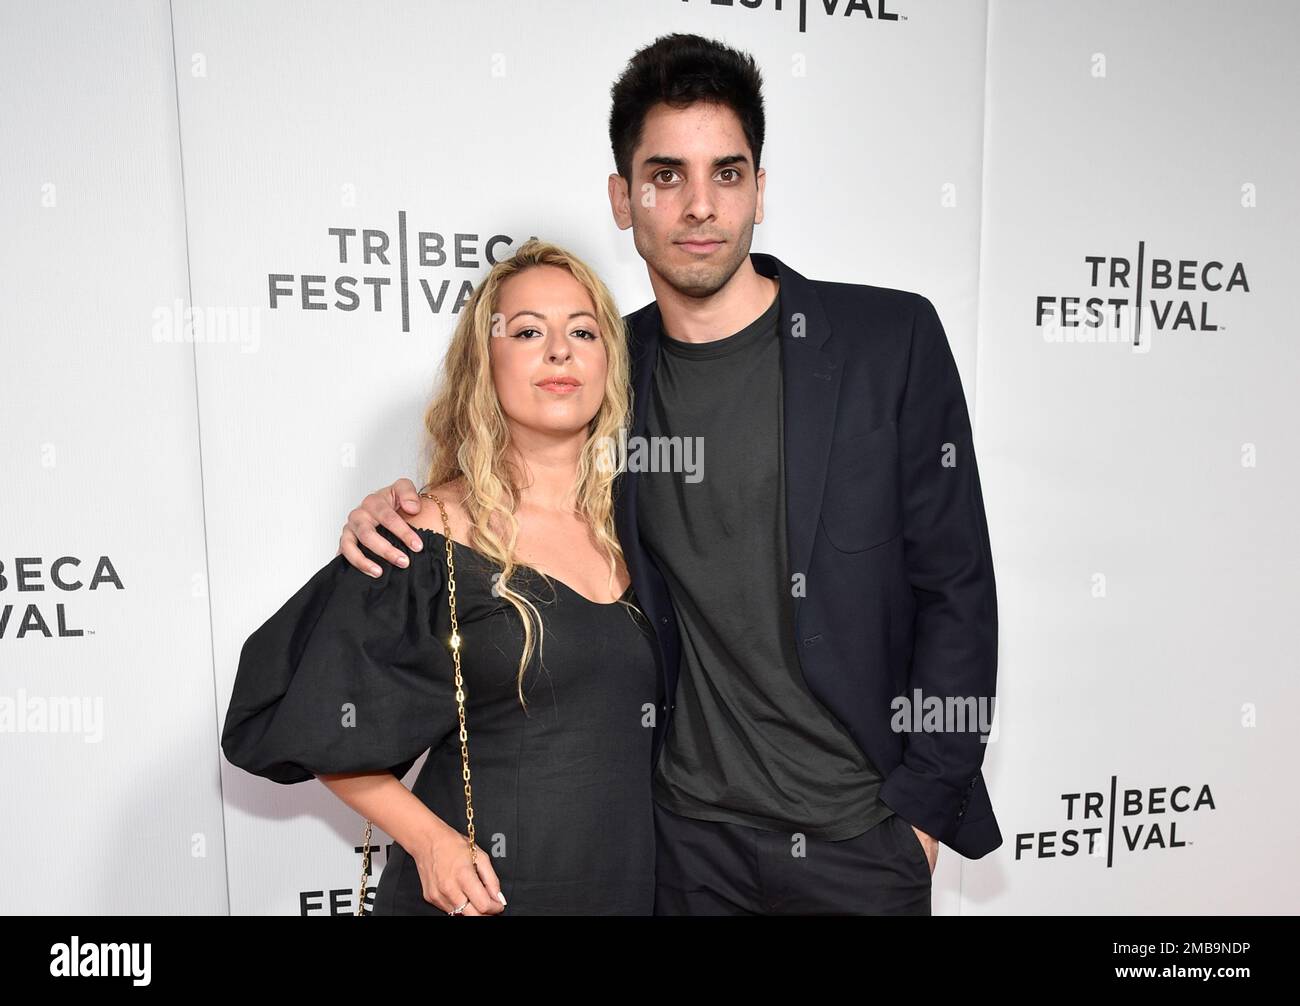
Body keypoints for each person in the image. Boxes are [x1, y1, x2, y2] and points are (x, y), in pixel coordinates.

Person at [339, 33, 1002, 915]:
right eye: (666, 176)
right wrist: (399, 505)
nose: (699, 206)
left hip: (861, 837)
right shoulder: (608, 369)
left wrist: (918, 818)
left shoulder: (889, 342)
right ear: (623, 198)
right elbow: (513, 484)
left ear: (760, 189)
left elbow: (957, 585)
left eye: (726, 173)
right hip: (683, 848)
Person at [221, 239, 660, 915]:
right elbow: (305, 715)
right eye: (527, 331)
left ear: (610, 361)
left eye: (582, 331)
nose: (559, 351)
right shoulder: (423, 532)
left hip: (631, 891)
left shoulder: (641, 526)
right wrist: (429, 843)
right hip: (484, 899)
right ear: (484, 363)